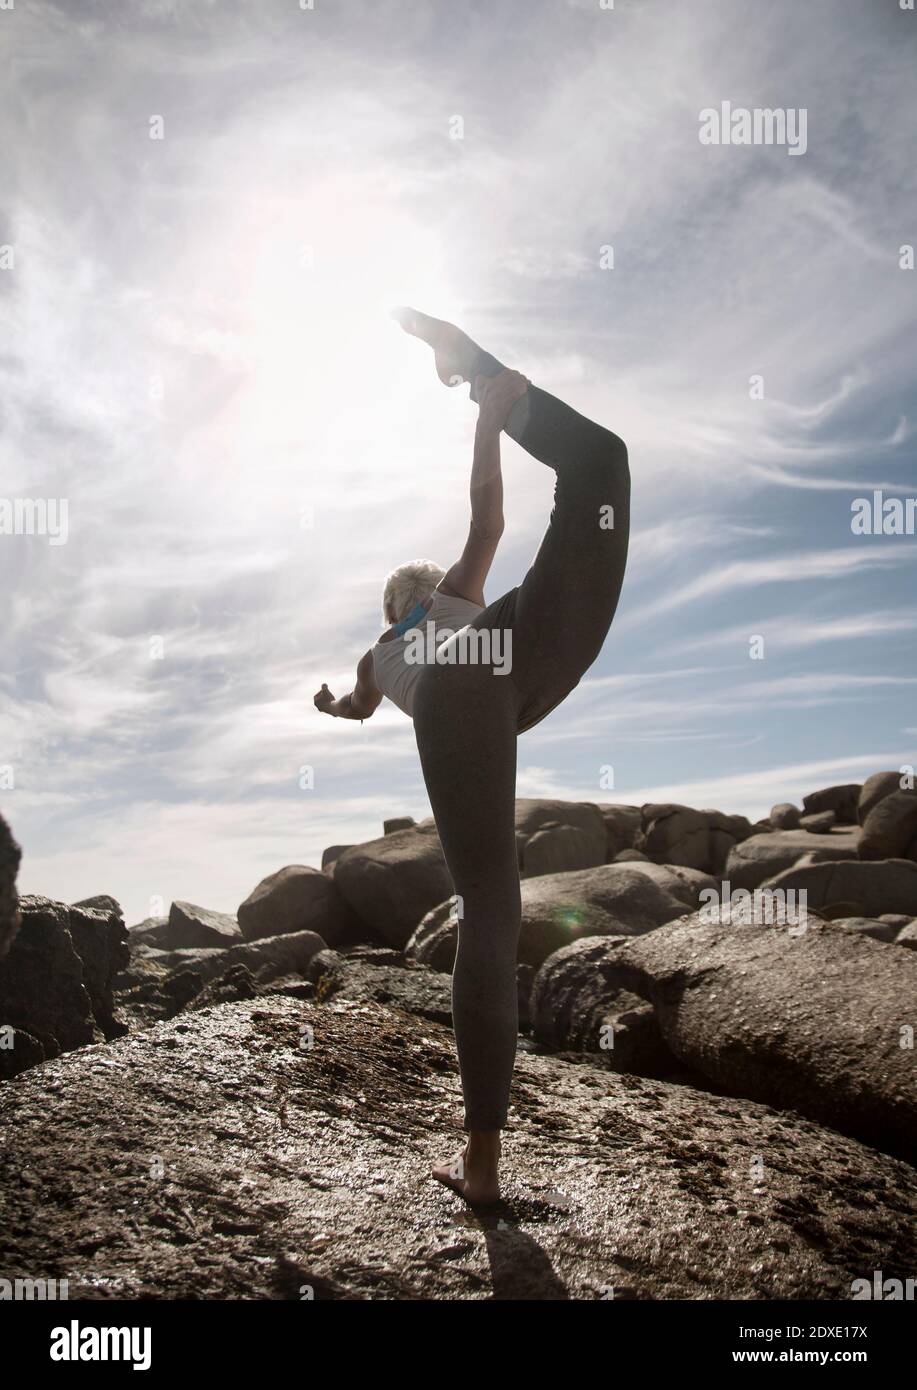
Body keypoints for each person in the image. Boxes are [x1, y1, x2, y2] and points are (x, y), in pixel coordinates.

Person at [315, 308, 630, 1203]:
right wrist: (489, 421)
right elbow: (487, 518)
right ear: (422, 593)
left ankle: (481, 1166)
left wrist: (331, 707)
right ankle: (475, 370)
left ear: (387, 609)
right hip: (505, 654)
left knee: (489, 911)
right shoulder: (453, 599)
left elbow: (355, 709)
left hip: (461, 701)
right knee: (600, 463)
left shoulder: (379, 653)